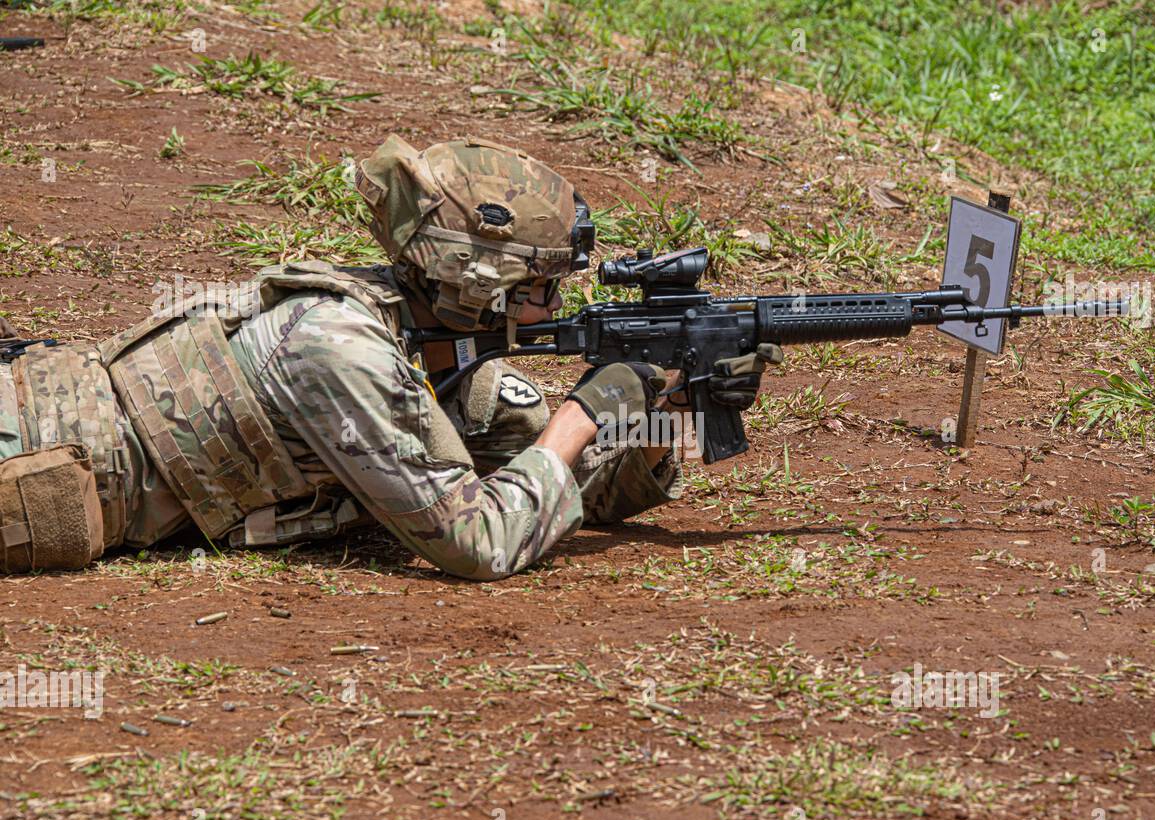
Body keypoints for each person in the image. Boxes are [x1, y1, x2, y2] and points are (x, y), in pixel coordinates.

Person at [0, 136, 780, 579]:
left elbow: (573, 488)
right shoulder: (341, 349)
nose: (557, 306)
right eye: (542, 285)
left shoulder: (432, 342)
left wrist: (670, 411)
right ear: (484, 284)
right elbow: (483, 543)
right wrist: (586, 408)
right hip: (35, 444)